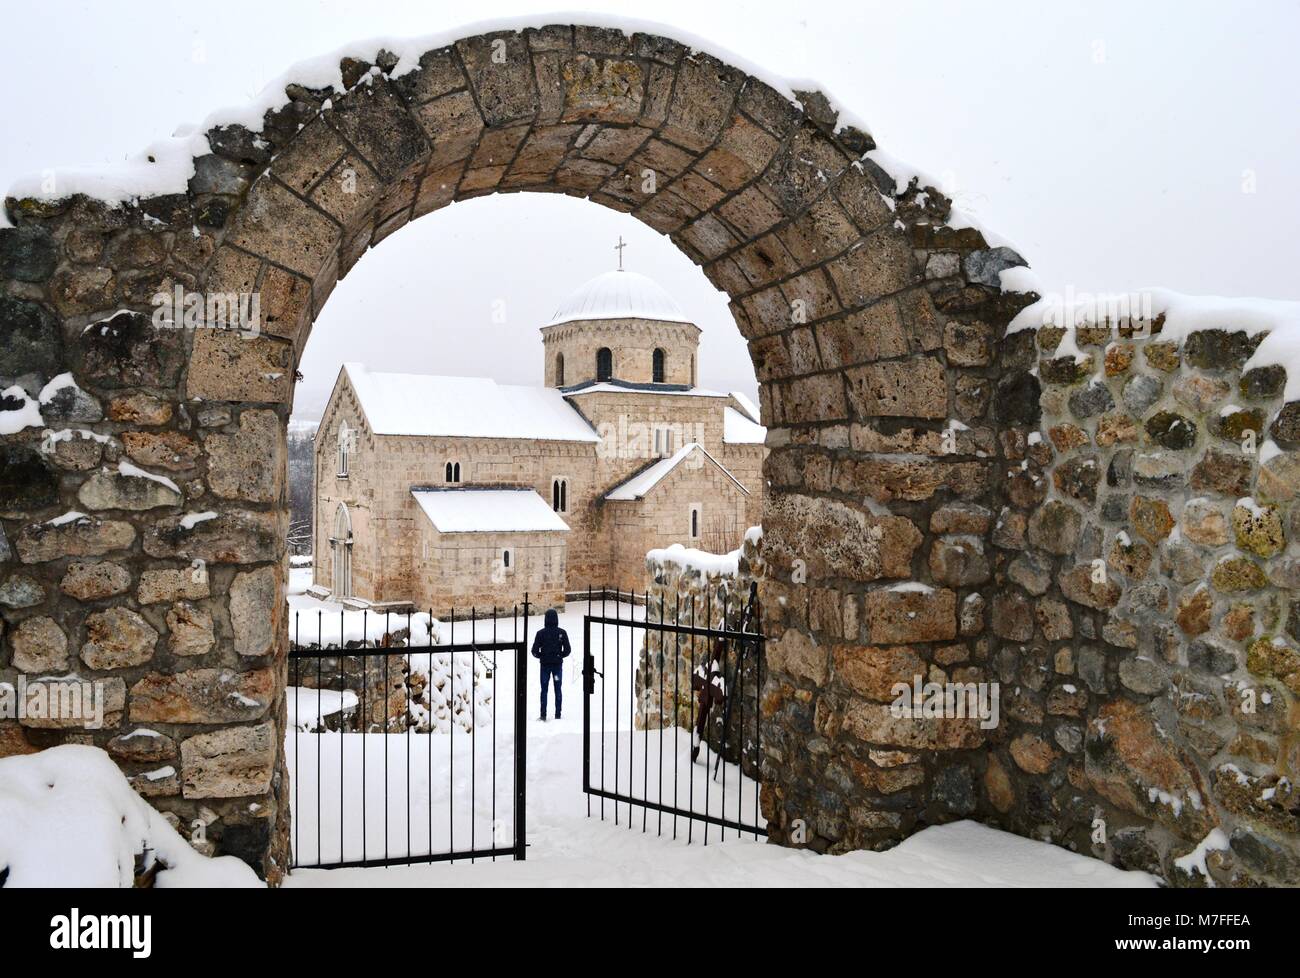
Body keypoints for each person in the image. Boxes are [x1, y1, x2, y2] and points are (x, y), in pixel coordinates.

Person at [531, 608, 571, 721]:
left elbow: (534, 651)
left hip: (545, 666)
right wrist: (560, 655)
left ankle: (543, 714)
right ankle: (558, 714)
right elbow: (567, 650)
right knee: (558, 689)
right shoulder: (561, 633)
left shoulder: (541, 633)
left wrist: (542, 656)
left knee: (544, 690)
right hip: (557, 666)